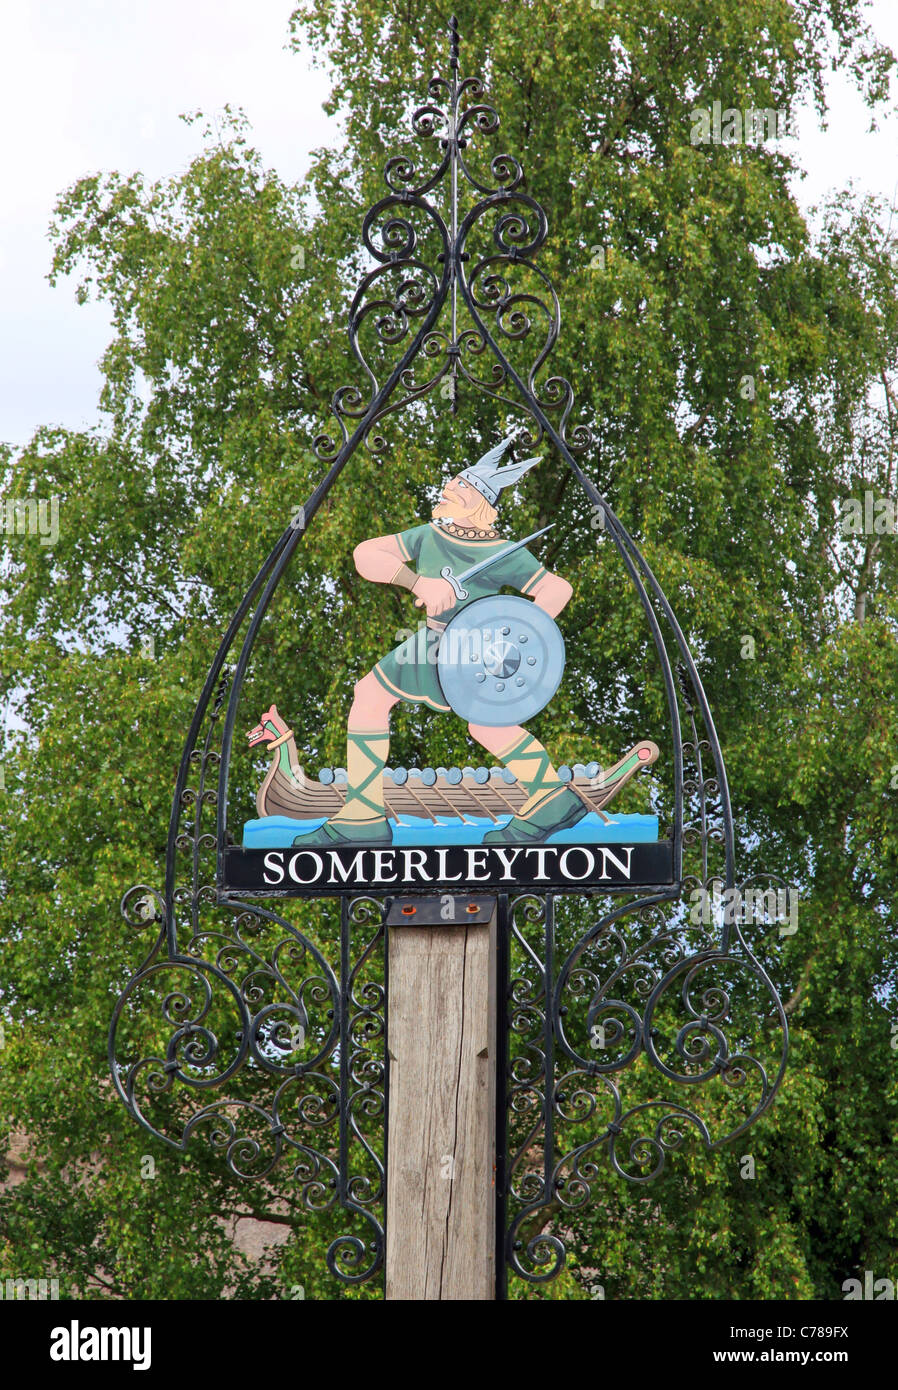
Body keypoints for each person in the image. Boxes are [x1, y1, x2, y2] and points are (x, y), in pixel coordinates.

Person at [292, 436, 586, 846]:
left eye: (457, 488)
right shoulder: (429, 535)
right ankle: (362, 814)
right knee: (372, 695)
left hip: (475, 655)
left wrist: (511, 639)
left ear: (477, 503)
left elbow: (557, 590)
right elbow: (366, 554)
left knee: (485, 725)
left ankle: (549, 798)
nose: (446, 491)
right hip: (431, 642)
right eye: (449, 486)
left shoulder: (504, 551)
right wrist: (418, 582)